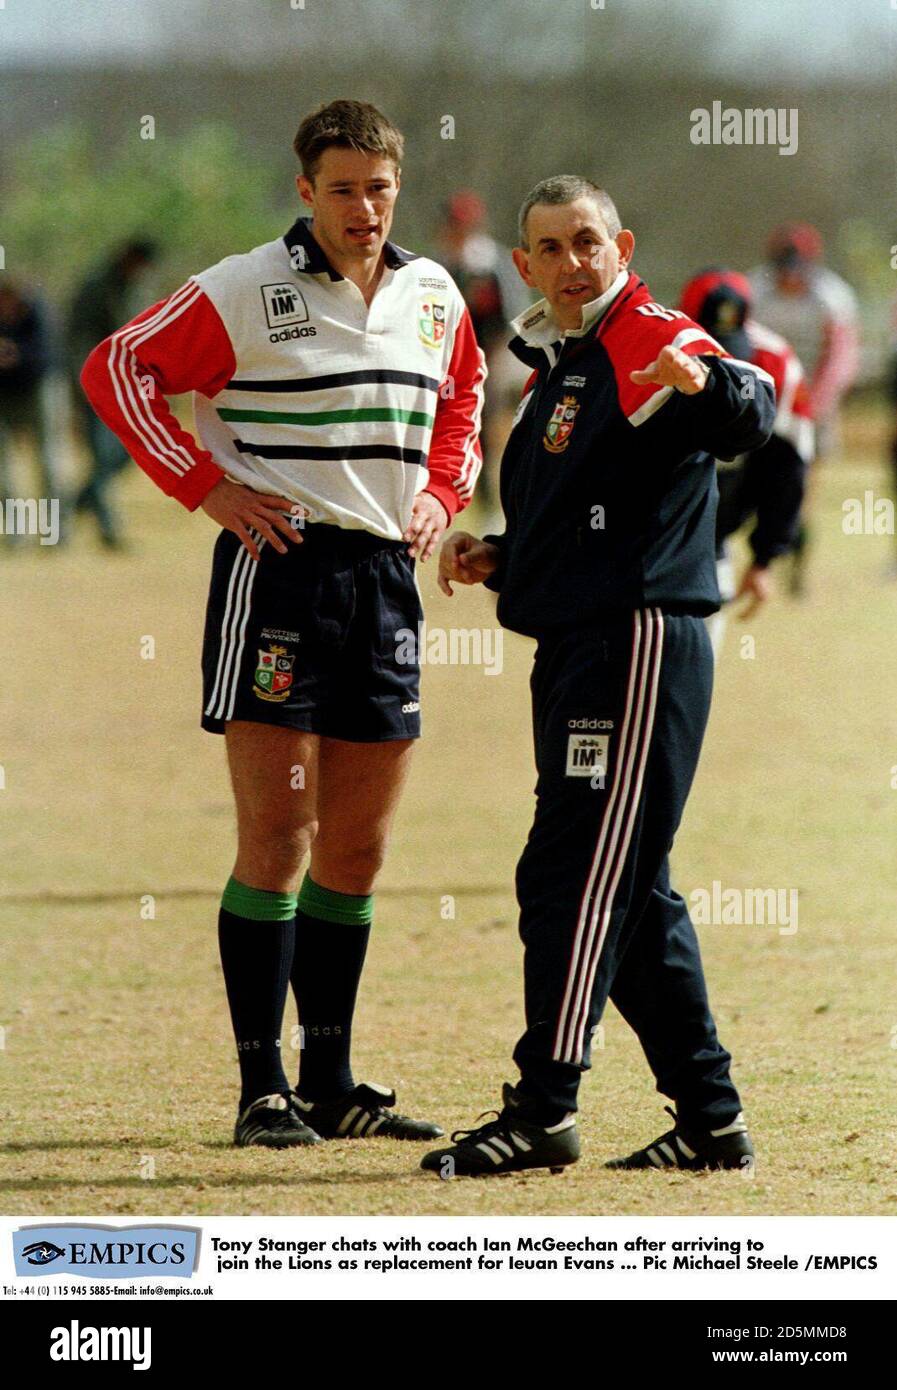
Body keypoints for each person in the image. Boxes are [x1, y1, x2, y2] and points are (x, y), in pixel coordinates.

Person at [81, 99, 485, 1150]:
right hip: (281, 575)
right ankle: (262, 1090)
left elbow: (464, 399)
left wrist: (442, 495)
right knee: (280, 837)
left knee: (358, 846)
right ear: (306, 190)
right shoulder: (245, 287)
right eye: (343, 188)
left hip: (386, 584)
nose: (364, 207)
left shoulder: (434, 292)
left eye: (380, 188)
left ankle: (335, 1079)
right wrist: (206, 487)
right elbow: (116, 369)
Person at [427, 176, 775, 1178]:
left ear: (619, 243)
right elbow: (587, 503)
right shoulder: (566, 360)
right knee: (626, 885)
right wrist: (502, 552)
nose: (573, 260)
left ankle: (545, 1107)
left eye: (589, 241)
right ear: (525, 262)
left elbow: (741, 404)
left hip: (636, 648)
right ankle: (712, 1121)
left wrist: (714, 385)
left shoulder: (642, 333)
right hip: (581, 644)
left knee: (576, 877)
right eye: (552, 247)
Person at [678, 269, 812, 655]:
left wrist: (765, 556)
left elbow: (789, 465)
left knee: (692, 677)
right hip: (640, 537)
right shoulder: (647, 348)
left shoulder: (776, 361)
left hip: (715, 534)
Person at [749, 223, 858, 593]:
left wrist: (819, 402)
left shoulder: (832, 297)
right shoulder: (755, 292)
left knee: (801, 487)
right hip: (764, 400)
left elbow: (842, 358)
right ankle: (758, 554)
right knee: (758, 481)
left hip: (813, 402)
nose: (790, 275)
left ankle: (797, 565)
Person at [436, 190, 530, 526]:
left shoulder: (493, 262)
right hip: (449, 362)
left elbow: (512, 320)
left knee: (487, 423)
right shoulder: (440, 267)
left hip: (496, 355)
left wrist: (484, 365)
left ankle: (495, 504)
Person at [68, 238, 159, 548]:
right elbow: (78, 339)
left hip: (125, 385)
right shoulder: (96, 288)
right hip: (95, 384)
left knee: (122, 456)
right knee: (103, 458)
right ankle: (108, 533)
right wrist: (84, 387)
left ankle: (70, 505)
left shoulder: (134, 289)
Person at [0, 276, 65, 545]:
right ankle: (16, 535)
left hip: (39, 387)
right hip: (4, 392)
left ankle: (55, 533)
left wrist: (16, 356)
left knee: (48, 460)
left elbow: (49, 354)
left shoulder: (38, 312)